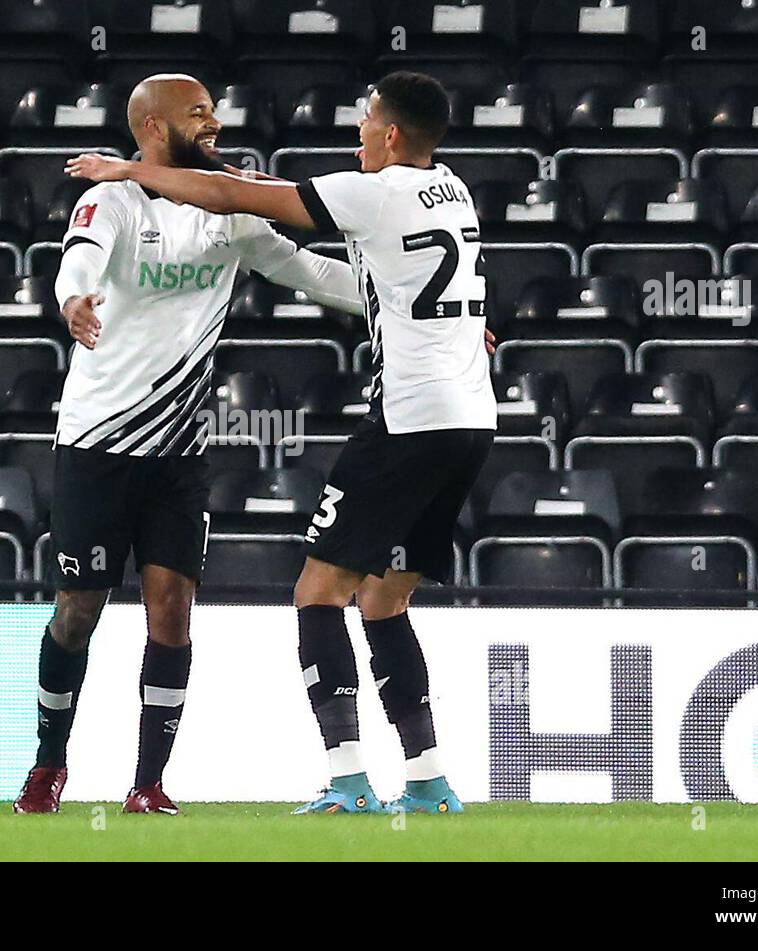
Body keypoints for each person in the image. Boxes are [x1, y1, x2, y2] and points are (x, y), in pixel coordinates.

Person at [67, 71, 497, 815]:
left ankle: (350, 781)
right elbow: (370, 271)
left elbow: (239, 199)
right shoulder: (452, 188)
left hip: (408, 417)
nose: (358, 131)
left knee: (316, 592)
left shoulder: (375, 191)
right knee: (387, 599)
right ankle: (428, 781)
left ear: (391, 134)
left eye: (365, 120)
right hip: (471, 417)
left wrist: (127, 167)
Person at [13, 74, 364, 815]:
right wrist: (72, 301)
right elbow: (75, 262)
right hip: (96, 442)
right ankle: (48, 764)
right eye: (197, 112)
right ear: (149, 127)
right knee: (78, 608)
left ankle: (148, 782)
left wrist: (401, 300)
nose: (214, 121)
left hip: (177, 451)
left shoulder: (227, 205)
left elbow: (309, 271)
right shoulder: (111, 197)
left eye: (212, 109)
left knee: (171, 607)